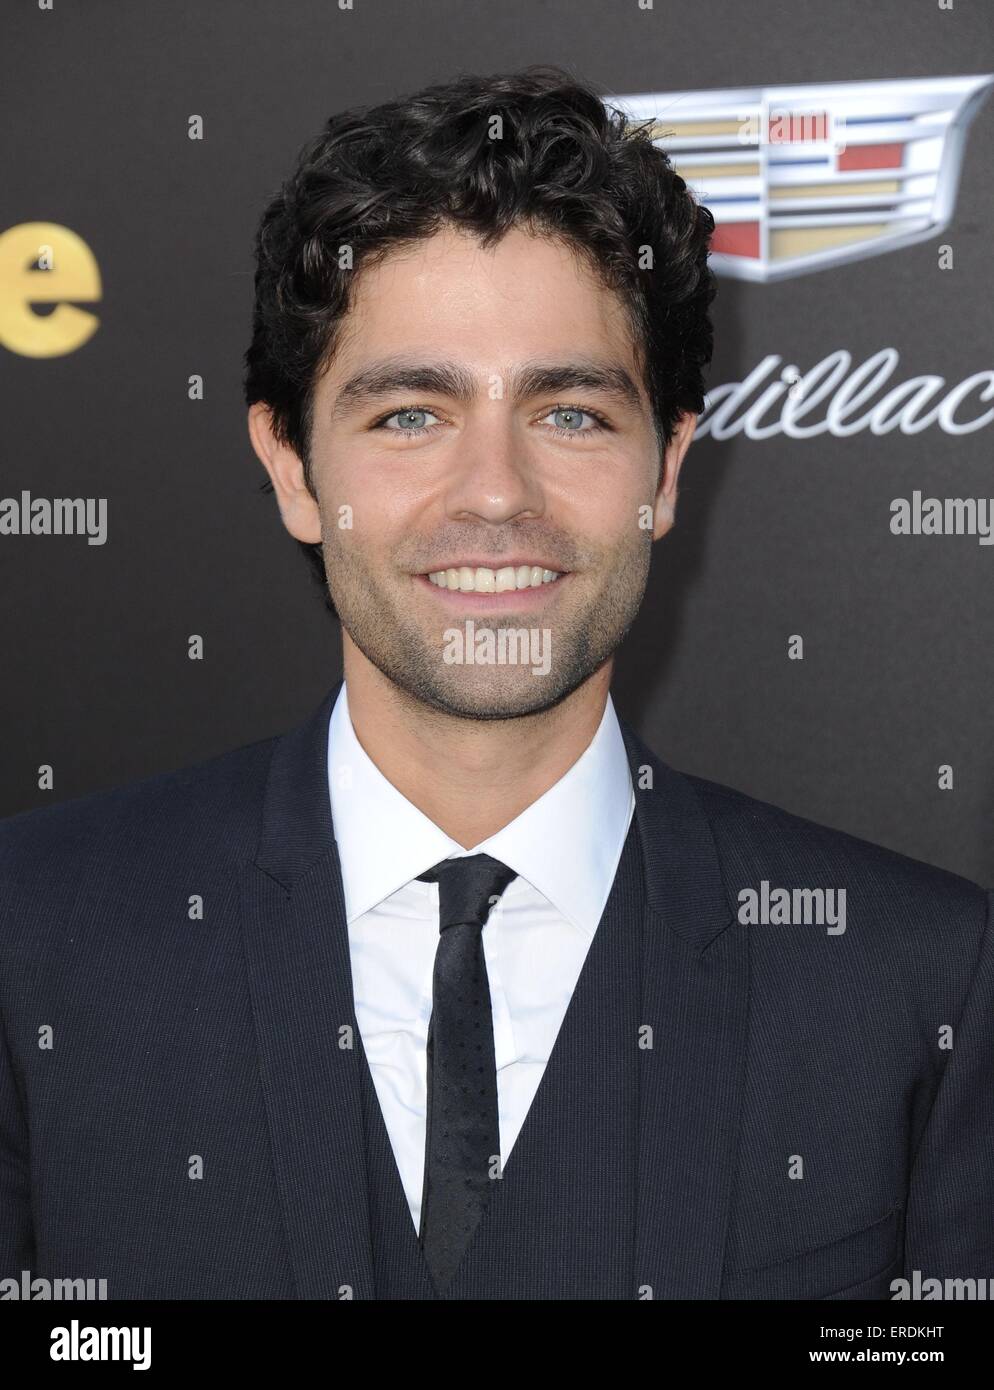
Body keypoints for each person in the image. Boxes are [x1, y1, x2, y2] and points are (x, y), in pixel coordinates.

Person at [1, 66, 991, 1302]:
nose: (494, 493)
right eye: (410, 414)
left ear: (667, 466)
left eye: (570, 413)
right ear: (293, 468)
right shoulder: (32, 939)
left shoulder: (915, 980)